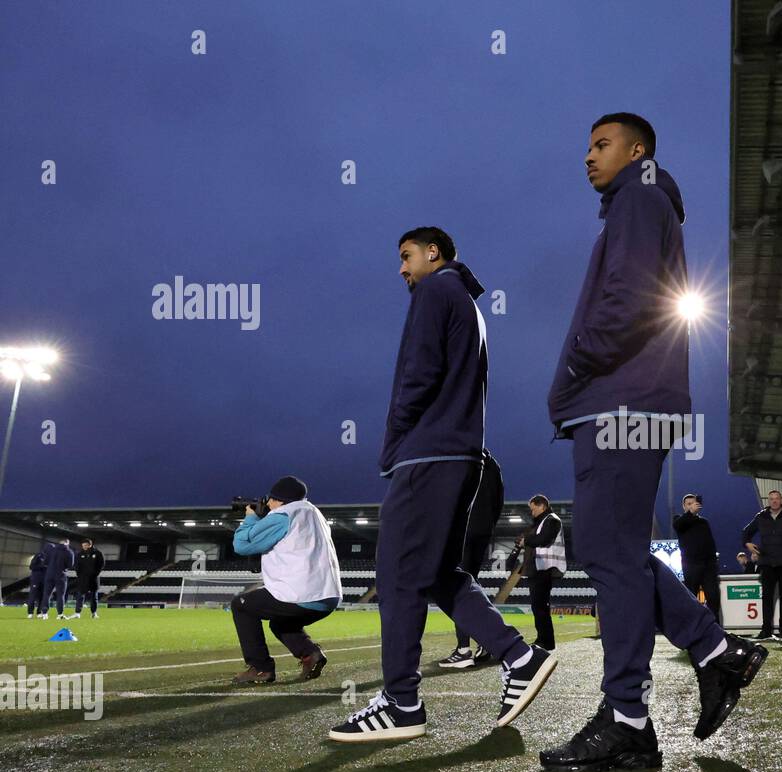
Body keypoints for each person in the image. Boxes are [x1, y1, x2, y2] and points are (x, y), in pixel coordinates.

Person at [542, 112, 766, 772]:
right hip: (631, 400)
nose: (588, 156)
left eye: (601, 144)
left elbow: (633, 296)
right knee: (613, 551)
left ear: (636, 150)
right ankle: (716, 654)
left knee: (610, 555)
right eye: (586, 145)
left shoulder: (638, 196)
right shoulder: (643, 202)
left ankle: (628, 718)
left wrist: (581, 358)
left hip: (621, 400)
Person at [331, 226, 556, 742]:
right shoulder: (467, 303)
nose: (402, 269)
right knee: (435, 573)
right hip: (459, 454)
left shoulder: (435, 290)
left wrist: (394, 445)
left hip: (429, 455)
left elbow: (416, 373)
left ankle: (402, 702)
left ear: (434, 253)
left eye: (407, 256)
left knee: (395, 575)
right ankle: (519, 657)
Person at [230, 476, 341, 685]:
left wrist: (251, 519)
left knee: (241, 605)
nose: (267, 504)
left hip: (301, 593)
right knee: (280, 622)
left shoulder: (283, 515)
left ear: (278, 500)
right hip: (327, 596)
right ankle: (310, 654)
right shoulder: (313, 513)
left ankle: (261, 668)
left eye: (269, 500)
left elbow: (242, 545)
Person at [437, 449, 505, 669]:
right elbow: (498, 500)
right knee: (471, 582)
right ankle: (487, 642)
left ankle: (464, 649)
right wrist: (487, 526)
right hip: (482, 530)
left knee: (457, 585)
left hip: (463, 530)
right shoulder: (493, 464)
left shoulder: (459, 456)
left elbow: (449, 496)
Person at [743, 490, 782, 640]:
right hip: (766, 563)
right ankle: (766, 631)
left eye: (777, 499)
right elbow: (746, 532)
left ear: (781, 500)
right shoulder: (760, 517)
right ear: (768, 501)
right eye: (771, 499)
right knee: (767, 598)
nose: (774, 501)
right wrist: (747, 544)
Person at [517, 494, 566, 652]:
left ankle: (545, 641)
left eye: (533, 509)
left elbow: (544, 539)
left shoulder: (552, 520)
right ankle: (543, 640)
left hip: (545, 568)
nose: (532, 513)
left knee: (540, 606)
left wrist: (527, 541)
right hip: (538, 568)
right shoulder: (543, 522)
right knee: (538, 606)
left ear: (542, 506)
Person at [673, 493, 721, 621]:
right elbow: (678, 526)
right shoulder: (679, 519)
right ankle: (691, 629)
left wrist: (713, 562)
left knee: (714, 598)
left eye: (694, 503)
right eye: (689, 504)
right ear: (684, 506)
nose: (692, 506)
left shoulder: (703, 522)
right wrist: (690, 513)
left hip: (708, 566)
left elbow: (710, 543)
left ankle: (715, 629)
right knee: (691, 599)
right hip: (691, 566)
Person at [38, 537, 75, 620]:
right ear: (67, 543)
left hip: (49, 574)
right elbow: (70, 565)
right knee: (60, 595)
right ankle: (60, 614)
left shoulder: (51, 550)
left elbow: (45, 562)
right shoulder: (69, 552)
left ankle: (44, 613)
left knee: (46, 594)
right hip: (61, 575)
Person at [71, 538, 105, 619]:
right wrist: (79, 574)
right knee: (80, 596)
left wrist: (95, 574)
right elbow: (76, 565)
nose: (84, 547)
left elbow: (101, 565)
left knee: (94, 596)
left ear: (90, 545)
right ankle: (77, 613)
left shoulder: (97, 553)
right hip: (83, 578)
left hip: (93, 578)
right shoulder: (80, 554)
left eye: (86, 545)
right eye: (83, 546)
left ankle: (94, 613)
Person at [25, 549, 47, 619]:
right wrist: (43, 566)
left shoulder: (51, 557)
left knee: (42, 597)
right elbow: (31, 567)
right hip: (36, 579)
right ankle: (30, 613)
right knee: (32, 596)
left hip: (45, 580)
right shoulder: (38, 555)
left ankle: (39, 612)